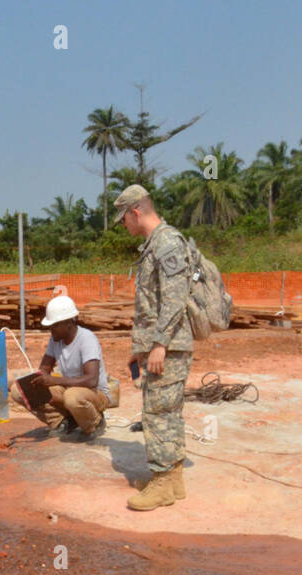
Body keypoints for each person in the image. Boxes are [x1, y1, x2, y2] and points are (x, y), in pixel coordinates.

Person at [112, 184, 192, 509]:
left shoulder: (167, 242)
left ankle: (161, 483)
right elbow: (150, 305)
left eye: (124, 220)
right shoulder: (153, 245)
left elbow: (174, 298)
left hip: (168, 346)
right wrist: (139, 347)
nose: (123, 227)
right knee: (169, 412)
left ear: (136, 212)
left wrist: (158, 345)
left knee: (157, 413)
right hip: (161, 344)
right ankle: (173, 481)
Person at [10, 294, 109, 439]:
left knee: (72, 397)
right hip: (69, 388)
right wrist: (39, 381)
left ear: (69, 323)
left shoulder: (87, 339)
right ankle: (62, 421)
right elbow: (44, 368)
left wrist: (54, 381)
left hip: (95, 393)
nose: (51, 329)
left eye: (55, 325)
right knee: (19, 390)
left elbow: (92, 380)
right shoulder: (56, 339)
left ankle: (95, 422)